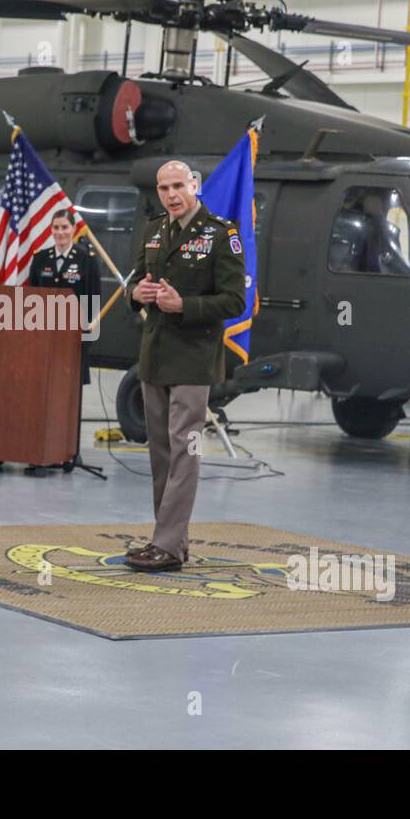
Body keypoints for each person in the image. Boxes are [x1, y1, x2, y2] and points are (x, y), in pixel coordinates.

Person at [125, 160, 245, 572]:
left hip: (193, 360)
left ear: (194, 185)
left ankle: (166, 543)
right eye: (164, 188)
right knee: (160, 452)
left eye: (178, 186)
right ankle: (171, 542)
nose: (172, 195)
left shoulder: (221, 234)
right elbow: (136, 281)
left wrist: (185, 305)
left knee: (184, 452)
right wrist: (135, 293)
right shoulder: (156, 229)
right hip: (155, 356)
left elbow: (234, 301)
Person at [27, 209, 102, 474]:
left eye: (64, 227)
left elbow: (93, 302)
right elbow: (31, 300)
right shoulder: (40, 259)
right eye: (55, 228)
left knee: (67, 401)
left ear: (73, 229)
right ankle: (41, 449)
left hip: (72, 344)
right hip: (44, 343)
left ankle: (68, 451)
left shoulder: (85, 260)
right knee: (42, 398)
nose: (60, 233)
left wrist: (86, 342)